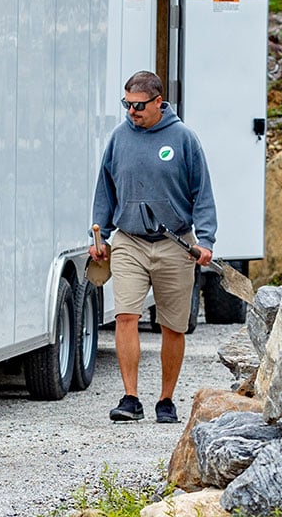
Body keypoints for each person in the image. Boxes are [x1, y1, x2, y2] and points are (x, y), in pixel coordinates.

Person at [88, 71, 216, 424]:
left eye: (138, 105)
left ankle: (165, 400)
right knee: (126, 315)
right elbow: (106, 190)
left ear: (159, 102)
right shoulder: (119, 138)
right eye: (127, 104)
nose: (131, 111)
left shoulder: (184, 139)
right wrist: (98, 238)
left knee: (173, 326)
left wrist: (205, 240)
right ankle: (130, 398)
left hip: (175, 243)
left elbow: (202, 194)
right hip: (129, 240)